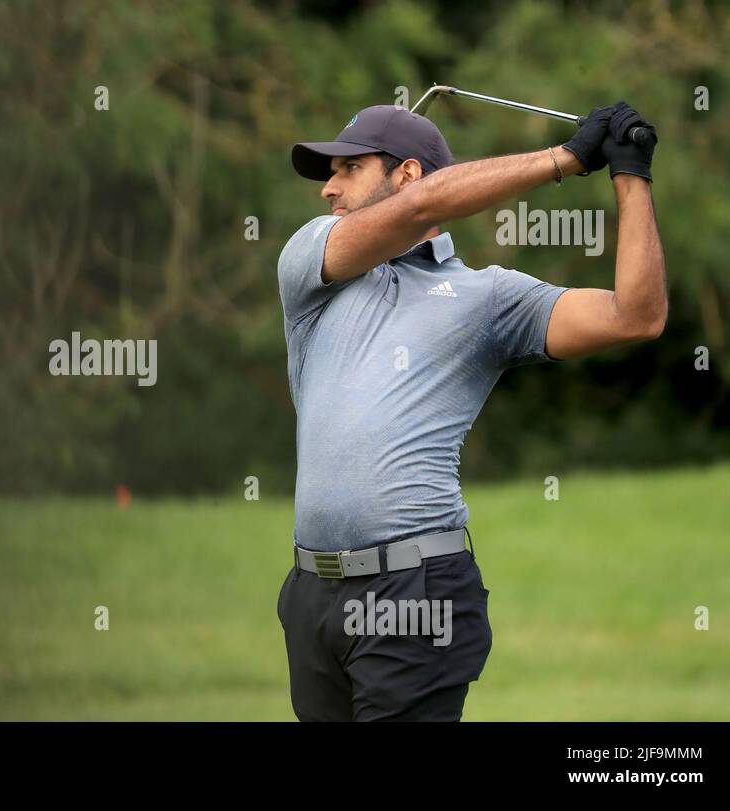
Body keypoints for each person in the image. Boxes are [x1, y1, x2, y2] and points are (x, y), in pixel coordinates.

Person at [275, 102, 666, 721]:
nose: (329, 186)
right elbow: (420, 209)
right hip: (310, 597)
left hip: (415, 587)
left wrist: (629, 175)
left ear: (406, 173)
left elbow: (636, 315)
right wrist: (562, 159)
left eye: (349, 167)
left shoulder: (488, 298)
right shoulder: (312, 263)